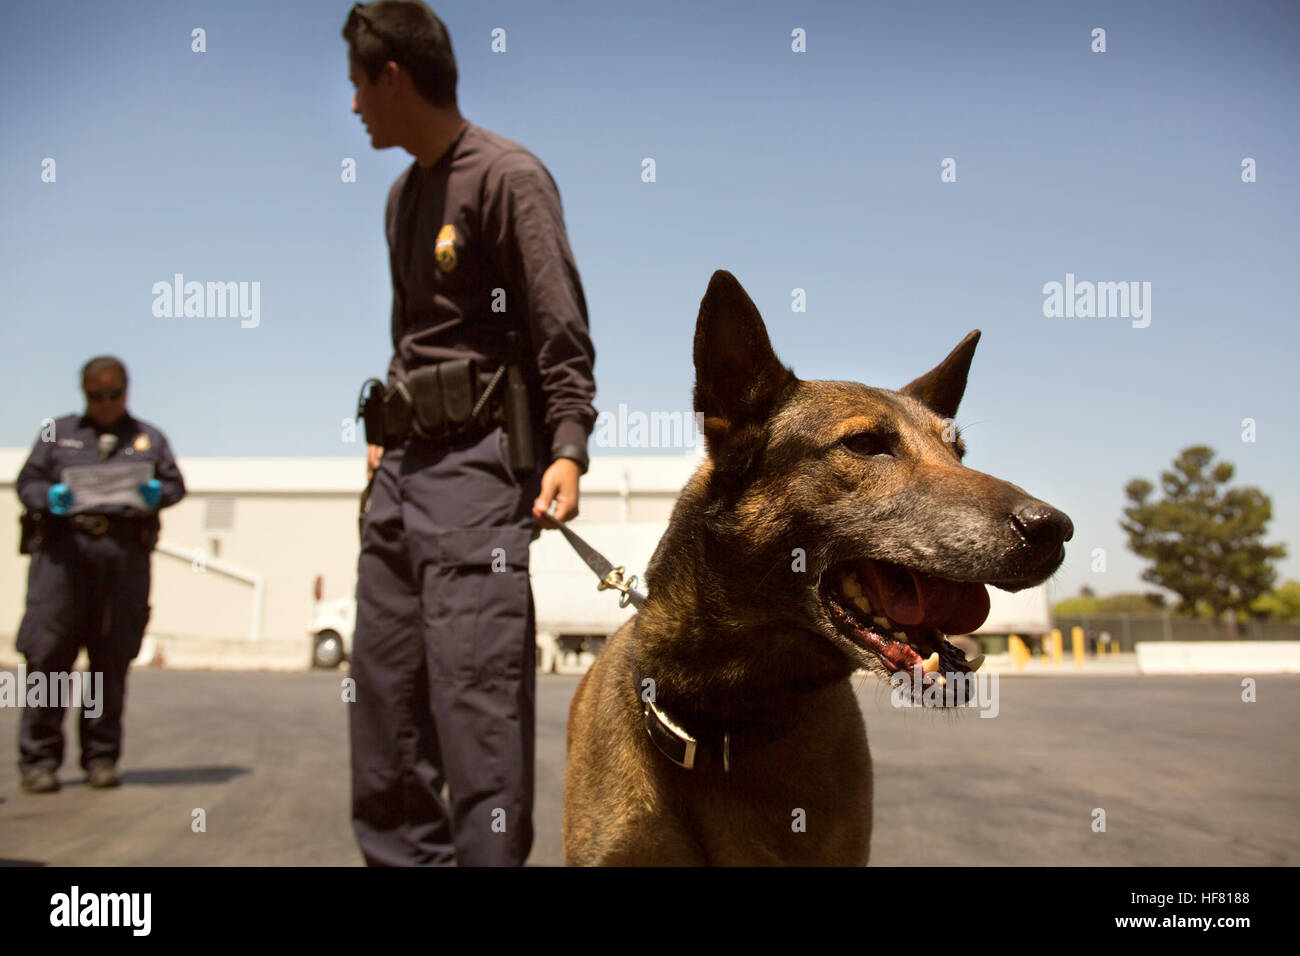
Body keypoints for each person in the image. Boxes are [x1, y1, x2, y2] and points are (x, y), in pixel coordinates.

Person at [342, 1, 597, 866]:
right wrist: (387, 429)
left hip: (477, 474)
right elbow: (411, 334)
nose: (352, 109)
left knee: (474, 709)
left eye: (356, 86)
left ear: (393, 77)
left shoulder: (506, 176)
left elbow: (558, 322)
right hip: (399, 479)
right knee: (383, 712)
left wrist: (567, 443)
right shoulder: (402, 197)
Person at [14, 356, 185, 793]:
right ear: (84, 392)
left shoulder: (148, 438)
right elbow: (27, 482)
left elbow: (175, 485)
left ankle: (102, 757)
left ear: (126, 391)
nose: (106, 403)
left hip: (122, 558)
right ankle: (39, 758)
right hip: (63, 556)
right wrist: (46, 497)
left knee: (110, 662)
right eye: (96, 395)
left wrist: (156, 494)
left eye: (113, 394)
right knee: (48, 657)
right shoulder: (58, 432)